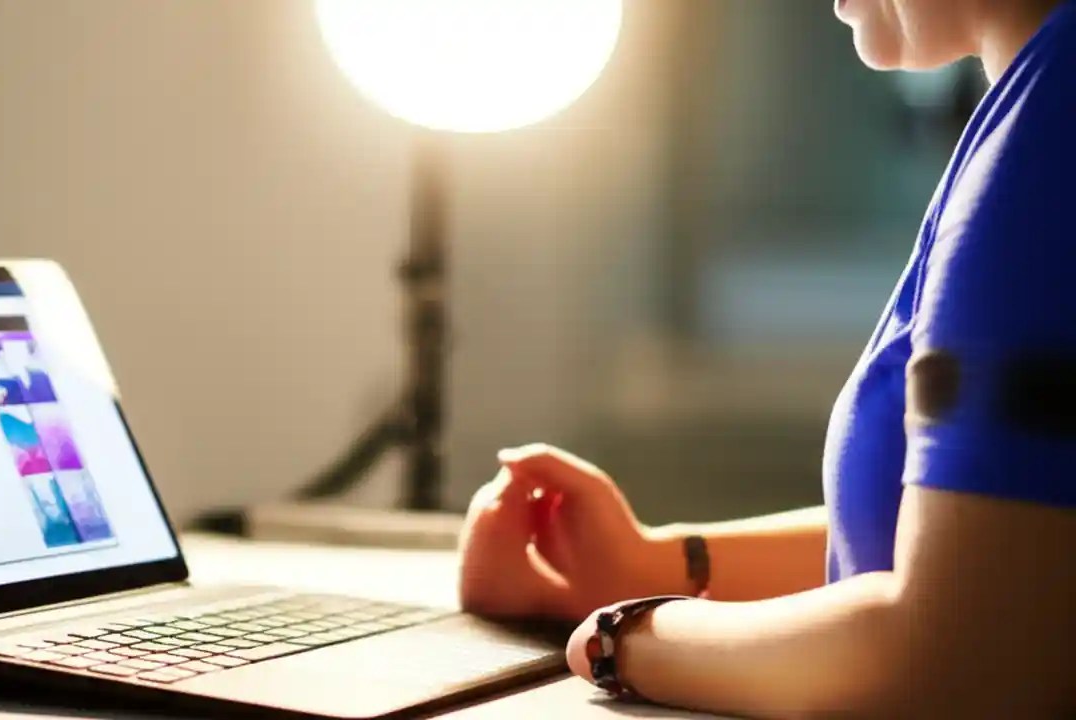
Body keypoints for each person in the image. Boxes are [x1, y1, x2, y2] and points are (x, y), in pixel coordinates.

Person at [456, 0, 1076, 716]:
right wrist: (656, 565)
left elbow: (960, 659)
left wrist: (626, 638)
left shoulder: (1056, 121)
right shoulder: (1038, 99)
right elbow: (995, 530)